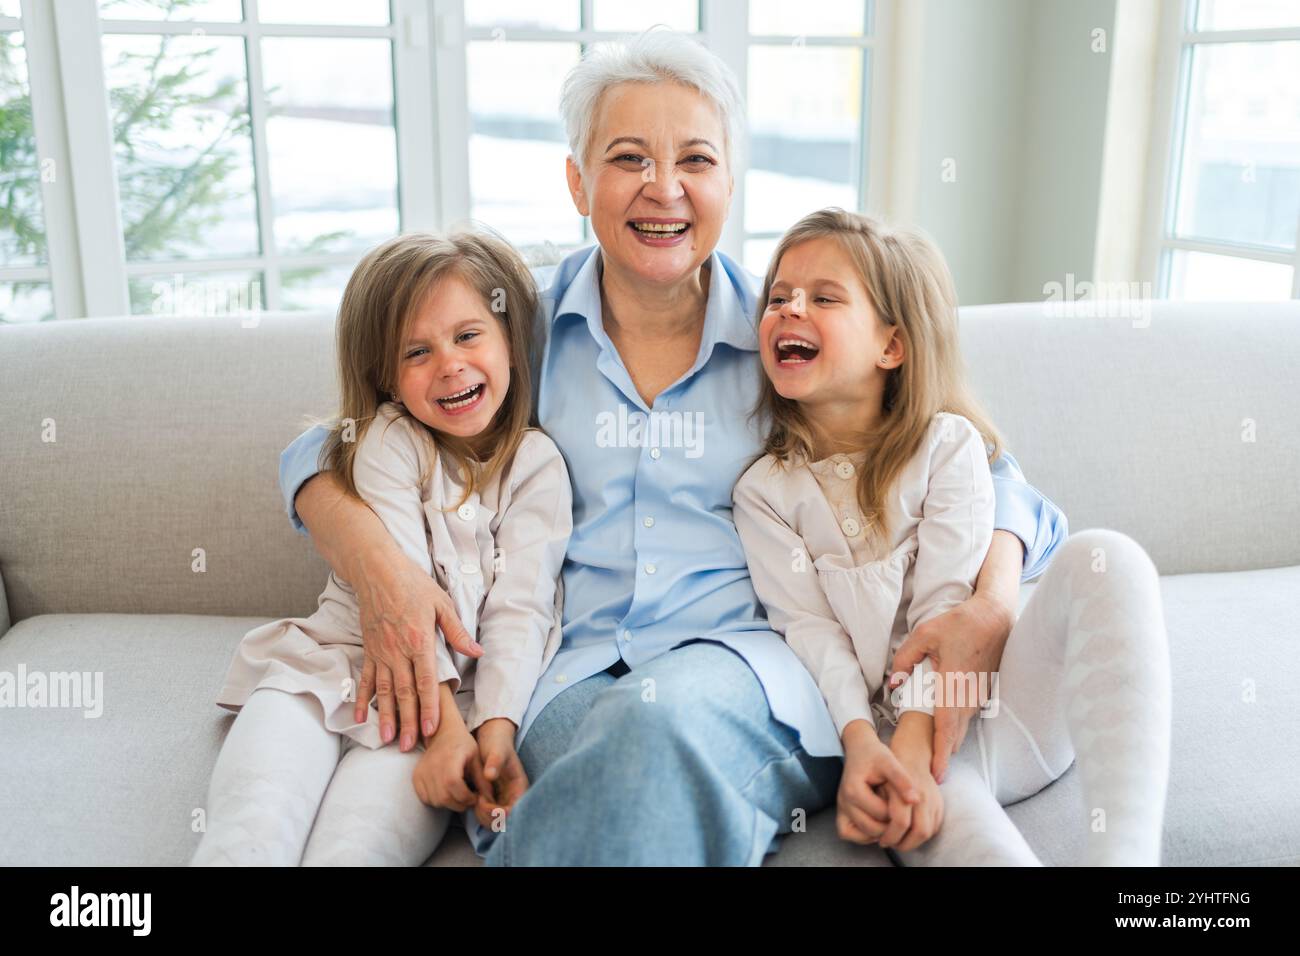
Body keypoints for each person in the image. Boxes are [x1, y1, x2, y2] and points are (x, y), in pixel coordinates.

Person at [276, 31, 1101, 866]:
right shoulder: (515, 329)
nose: (662, 189)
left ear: (730, 185)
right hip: (560, 679)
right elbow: (320, 450)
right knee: (608, 776)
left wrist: (989, 605)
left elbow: (988, 475)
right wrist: (387, 576)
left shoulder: (790, 337)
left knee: (652, 730)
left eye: (696, 161)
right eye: (628, 158)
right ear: (577, 181)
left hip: (743, 675)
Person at [733, 209, 1172, 865]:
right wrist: (869, 750)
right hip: (904, 743)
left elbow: (944, 605)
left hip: (1003, 704)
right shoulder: (765, 493)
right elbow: (810, 634)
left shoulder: (947, 446)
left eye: (823, 297)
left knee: (1109, 559)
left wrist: (916, 735)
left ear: (892, 346)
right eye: (777, 298)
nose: (791, 309)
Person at [192, 230, 571, 865]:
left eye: (469, 335)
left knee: (356, 849)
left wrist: (492, 732)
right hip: (326, 674)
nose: (449, 363)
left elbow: (522, 608)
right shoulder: (391, 439)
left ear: (511, 340)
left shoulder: (538, 467)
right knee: (249, 830)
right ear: (387, 379)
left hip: (427, 720)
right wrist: (452, 735)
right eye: (416, 351)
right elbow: (406, 592)